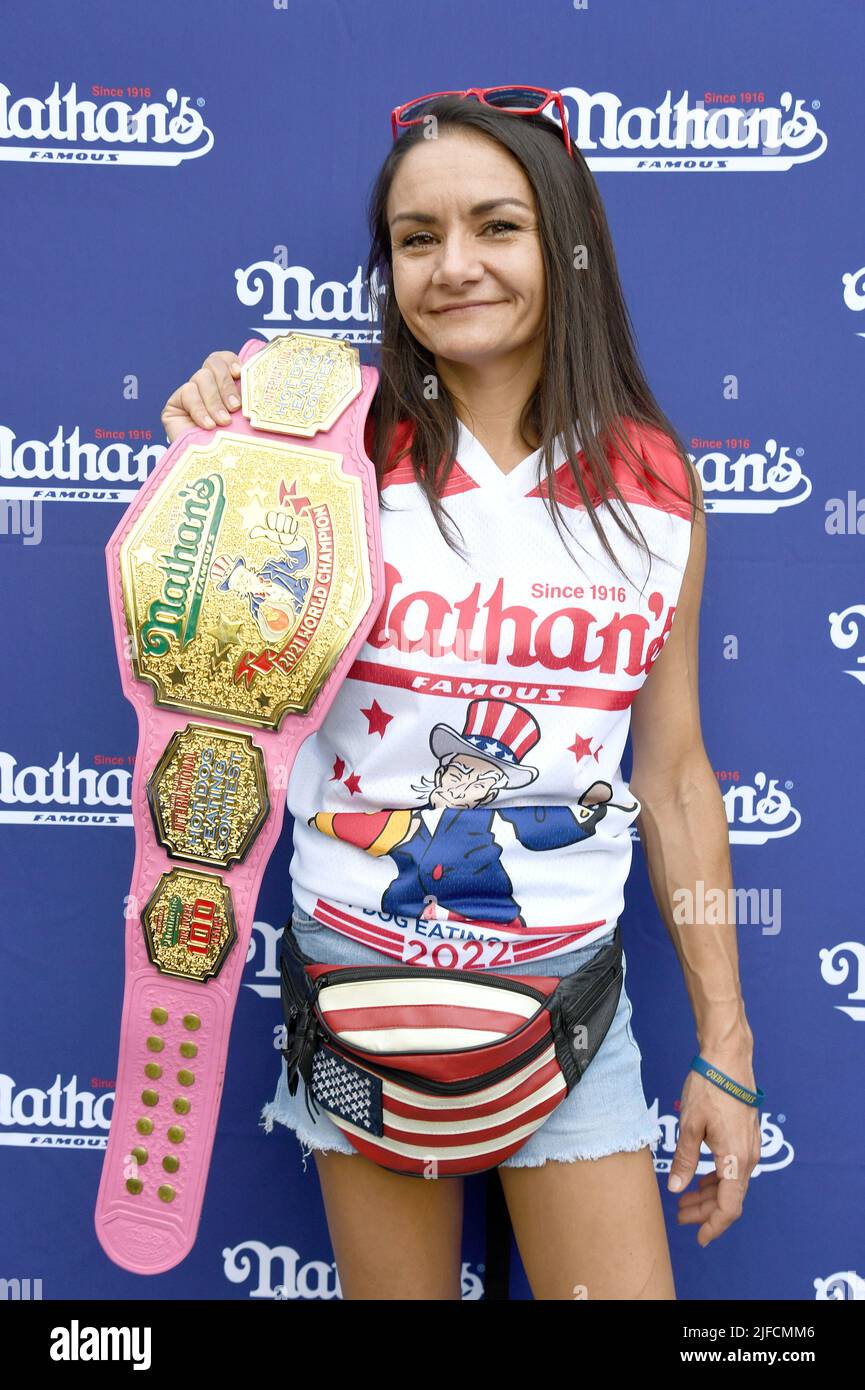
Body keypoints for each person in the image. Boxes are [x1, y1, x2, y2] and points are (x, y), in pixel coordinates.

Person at [161, 89, 761, 1301]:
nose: (454, 267)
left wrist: (727, 1042)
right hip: (353, 986)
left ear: (564, 242)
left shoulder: (653, 483)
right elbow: (194, 662)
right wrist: (210, 448)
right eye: (416, 238)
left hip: (569, 998)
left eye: (496, 225)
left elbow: (675, 772)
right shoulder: (314, 447)